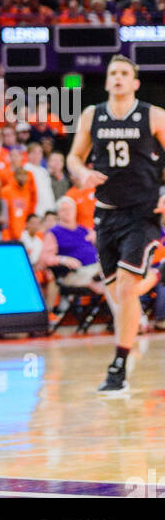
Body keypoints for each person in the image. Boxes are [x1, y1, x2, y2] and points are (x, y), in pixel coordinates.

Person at [68, 55, 165, 394]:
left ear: (135, 82)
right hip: (106, 213)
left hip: (142, 213)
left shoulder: (153, 115)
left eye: (125, 73)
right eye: (113, 73)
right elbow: (74, 156)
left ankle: (118, 367)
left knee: (124, 288)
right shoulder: (91, 115)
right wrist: (81, 173)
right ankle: (150, 283)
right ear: (107, 81)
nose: (119, 78)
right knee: (117, 293)